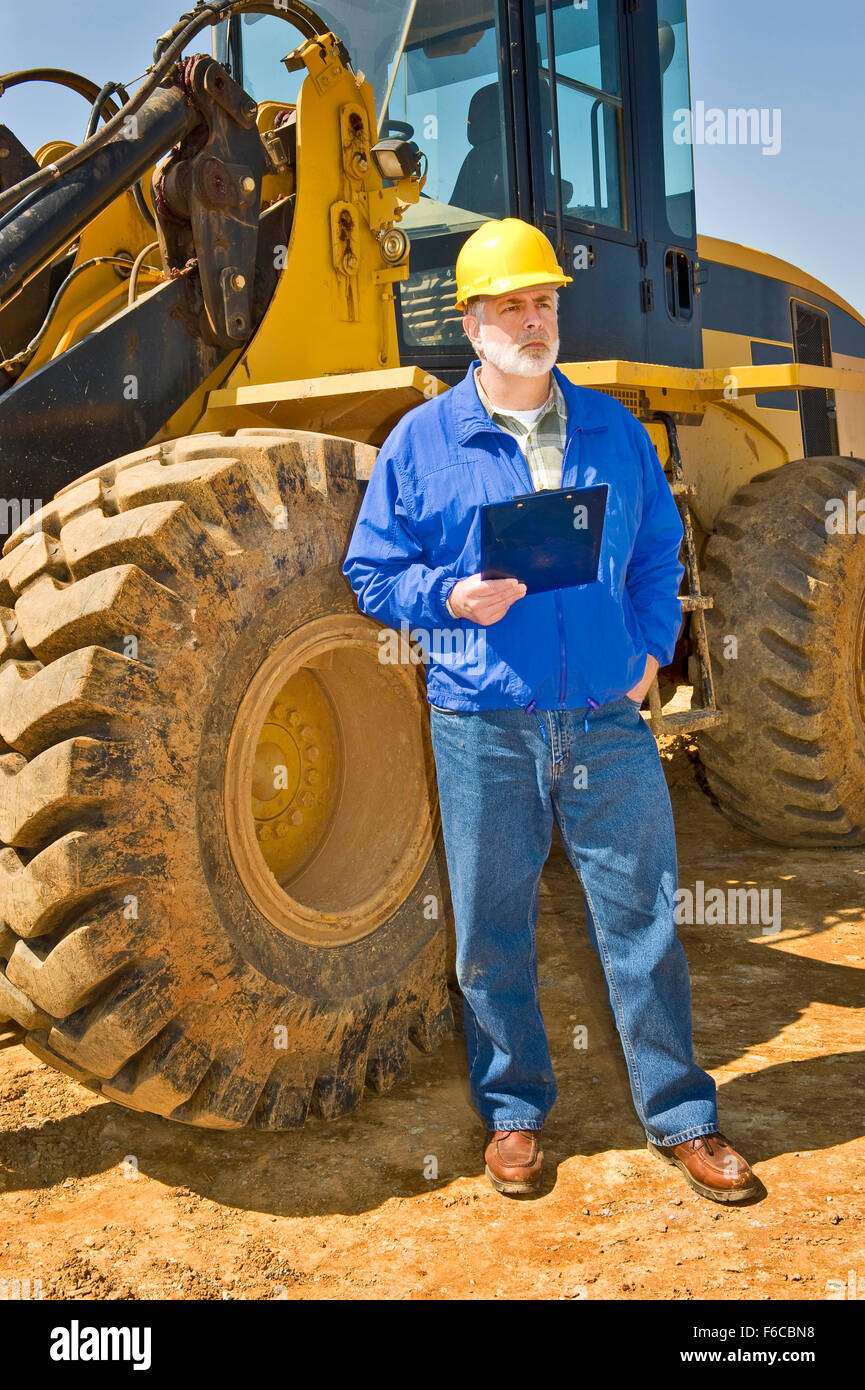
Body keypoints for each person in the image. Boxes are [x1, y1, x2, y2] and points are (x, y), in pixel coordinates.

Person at [342, 217, 759, 1205]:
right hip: (483, 719)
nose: (534, 321)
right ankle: (515, 1111)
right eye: (513, 306)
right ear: (473, 323)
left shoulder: (613, 428)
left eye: (545, 303)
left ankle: (684, 1115)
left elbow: (658, 549)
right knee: (491, 930)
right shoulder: (421, 442)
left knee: (642, 919)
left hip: (606, 719)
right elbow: (369, 566)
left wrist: (651, 650)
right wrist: (448, 596)